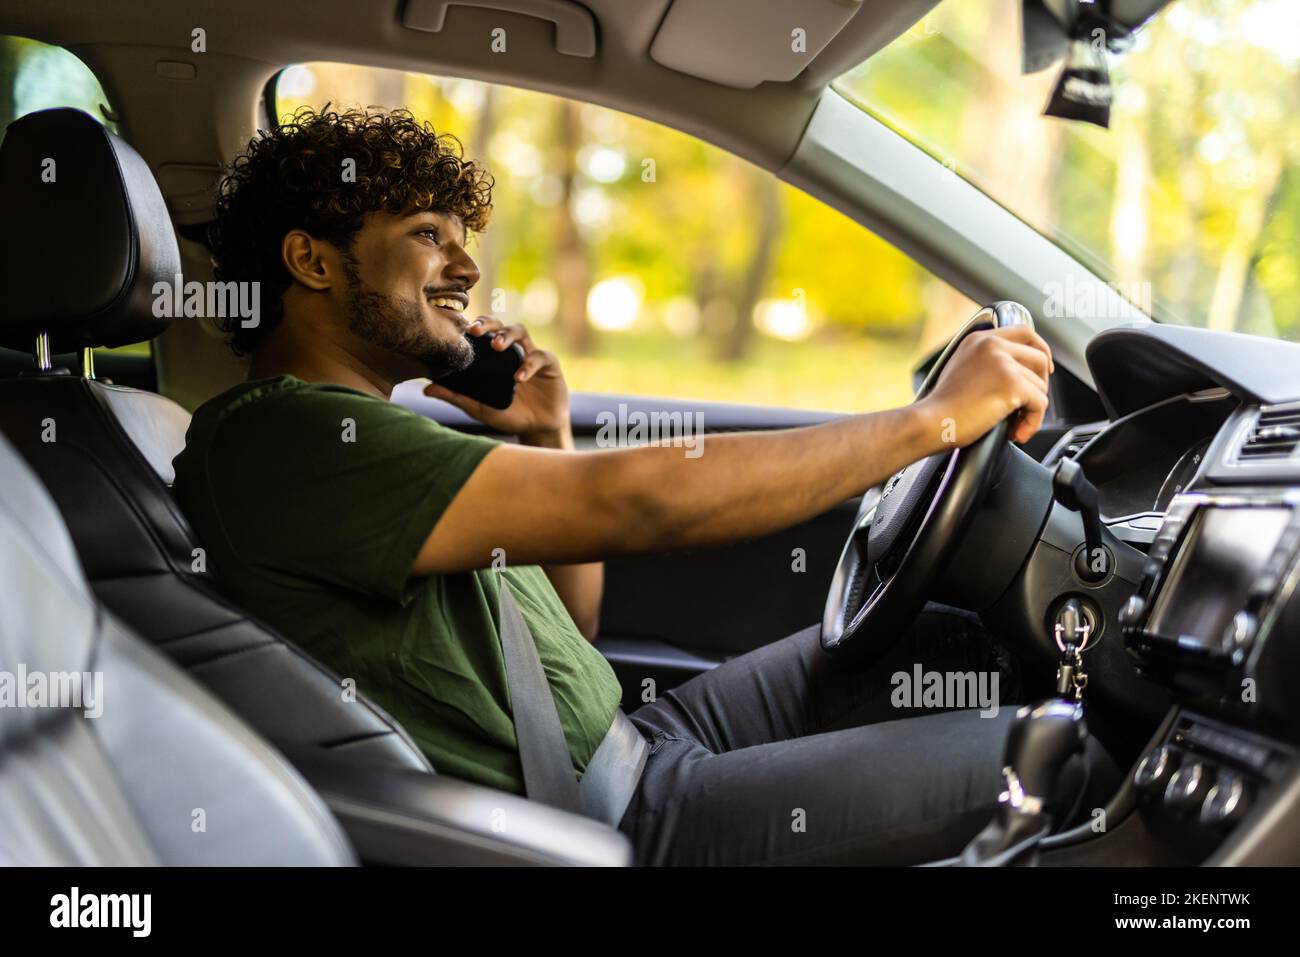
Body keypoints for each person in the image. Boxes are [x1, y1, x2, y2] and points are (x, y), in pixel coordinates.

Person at [172, 107, 1113, 865]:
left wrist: (545, 429)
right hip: (609, 820)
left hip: (640, 736)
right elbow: (640, 498)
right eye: (428, 236)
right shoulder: (278, 437)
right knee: (1070, 766)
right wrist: (928, 424)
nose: (464, 268)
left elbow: (571, 632)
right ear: (312, 260)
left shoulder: (370, 435)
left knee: (957, 639)